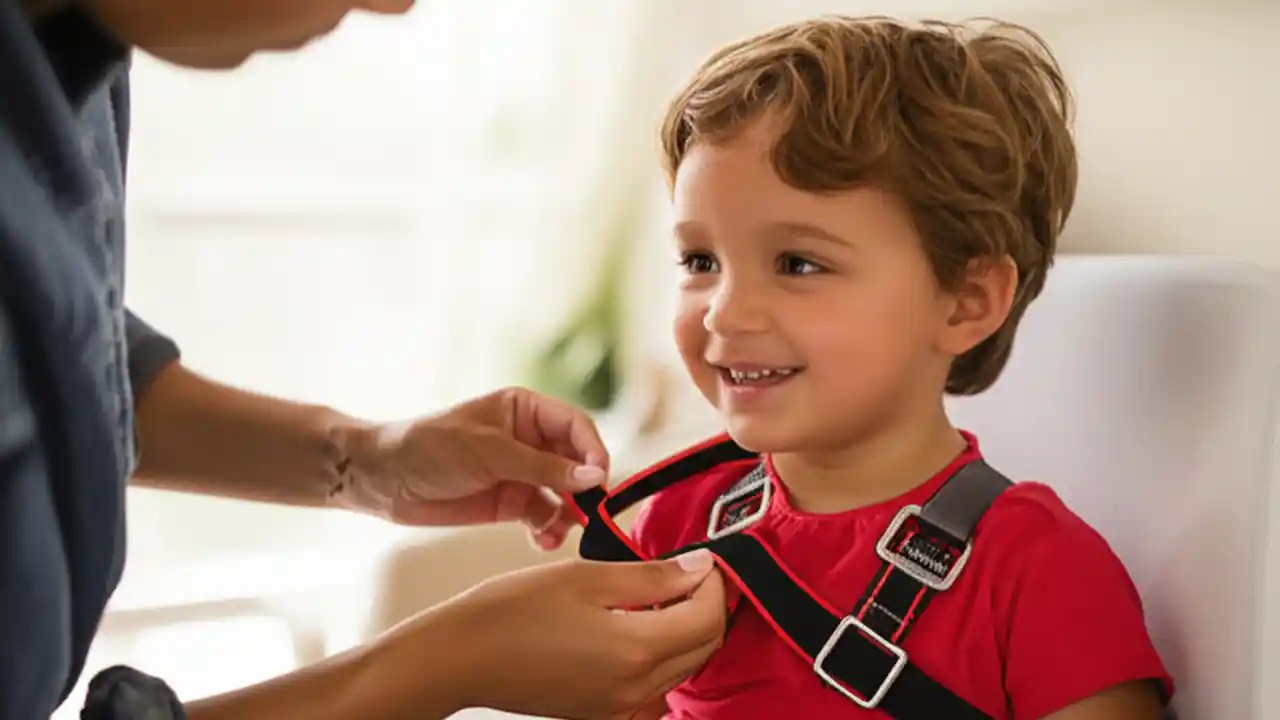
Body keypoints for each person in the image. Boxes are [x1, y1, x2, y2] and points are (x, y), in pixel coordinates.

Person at [0, 1, 727, 719]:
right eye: (699, 260)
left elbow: (67, 356)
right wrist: (433, 669)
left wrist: (365, 459)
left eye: (798, 263)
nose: (395, 3)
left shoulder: (70, 60)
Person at [612, 15, 1175, 719]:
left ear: (965, 302)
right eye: (700, 261)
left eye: (798, 264)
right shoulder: (669, 523)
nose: (725, 312)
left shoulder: (1044, 578)